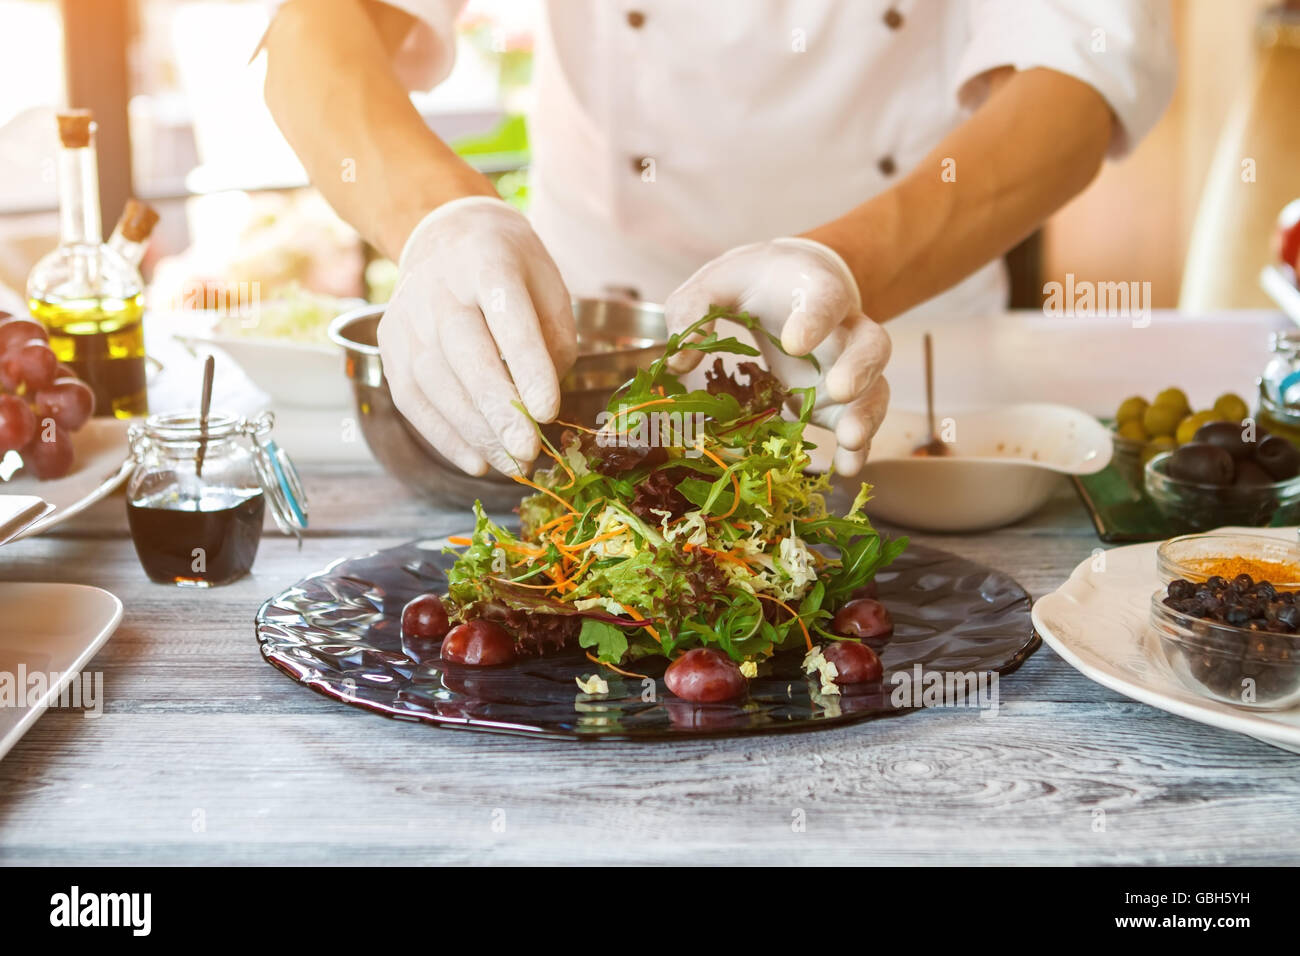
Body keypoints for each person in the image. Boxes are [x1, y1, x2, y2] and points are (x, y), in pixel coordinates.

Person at [261, 0, 1175, 476]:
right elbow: (314, 31)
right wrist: (443, 219)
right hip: (593, 350)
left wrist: (838, 268)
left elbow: (1078, 78)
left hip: (894, 351)